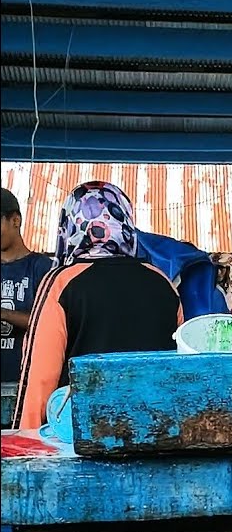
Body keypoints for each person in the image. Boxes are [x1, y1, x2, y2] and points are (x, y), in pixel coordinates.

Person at [14, 181, 182, 429]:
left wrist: (24, 441)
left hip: (80, 442)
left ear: (70, 225)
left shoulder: (61, 282)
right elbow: (179, 366)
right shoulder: (163, 283)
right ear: (124, 220)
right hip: (154, 435)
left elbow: (38, 378)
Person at [2, 187, 55, 384]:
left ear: (15, 221)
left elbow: (51, 325)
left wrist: (5, 314)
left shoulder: (43, 268)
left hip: (26, 385)